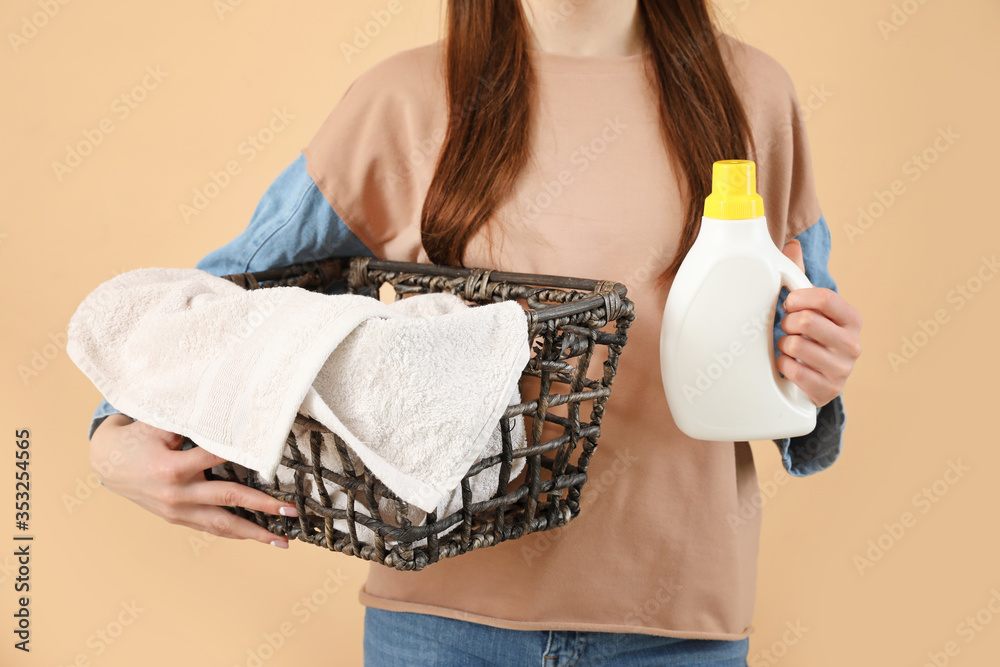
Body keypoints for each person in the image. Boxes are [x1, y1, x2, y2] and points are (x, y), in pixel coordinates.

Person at [87, 1, 862, 664]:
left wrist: (812, 375)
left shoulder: (752, 96)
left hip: (677, 623)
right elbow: (222, 300)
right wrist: (112, 435)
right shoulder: (403, 100)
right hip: (442, 628)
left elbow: (797, 367)